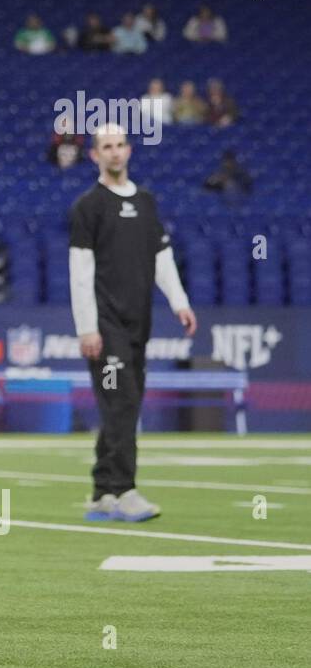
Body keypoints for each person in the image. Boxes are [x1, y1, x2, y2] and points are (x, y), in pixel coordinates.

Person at [68, 123, 196, 523]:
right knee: (121, 400)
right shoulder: (88, 207)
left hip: (138, 323)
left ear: (130, 150)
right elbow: (80, 271)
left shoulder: (146, 202)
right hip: (105, 328)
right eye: (106, 146)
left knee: (123, 403)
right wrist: (87, 327)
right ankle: (125, 490)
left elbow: (160, 257)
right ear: (94, 155)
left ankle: (102, 490)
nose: (115, 152)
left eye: (120, 144)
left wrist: (180, 302)